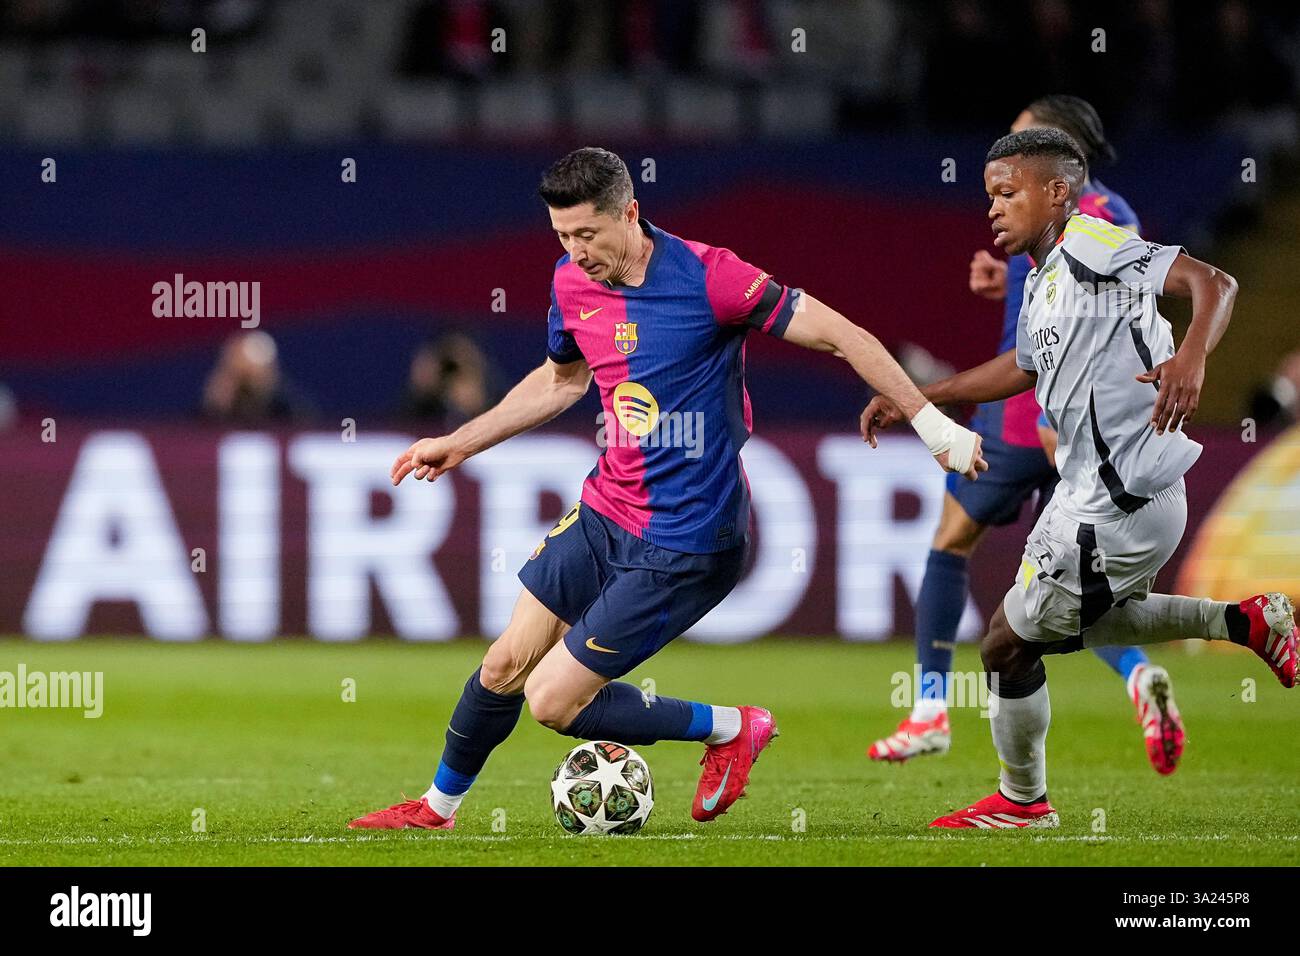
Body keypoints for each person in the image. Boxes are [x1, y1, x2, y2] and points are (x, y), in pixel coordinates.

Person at [349, 146, 986, 830]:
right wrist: (460, 441)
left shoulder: (713, 279)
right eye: (562, 235)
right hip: (605, 506)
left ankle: (732, 727)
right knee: (505, 661)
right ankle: (437, 809)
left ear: (631, 211)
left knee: (552, 701)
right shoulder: (570, 281)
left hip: (686, 537)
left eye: (587, 234)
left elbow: (841, 334)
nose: (575, 251)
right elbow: (563, 380)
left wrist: (930, 422)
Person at [861, 127, 1296, 829]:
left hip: (1119, 501)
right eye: (988, 197)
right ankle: (1245, 622)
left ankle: (1024, 802)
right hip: (1099, 493)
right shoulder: (1042, 282)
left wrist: (1191, 357)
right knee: (1056, 628)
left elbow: (1214, 282)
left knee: (1008, 642)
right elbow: (1020, 370)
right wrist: (922, 397)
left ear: (1058, 193)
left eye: (1007, 193)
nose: (993, 209)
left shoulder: (1091, 243)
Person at [867, 95, 1188, 776]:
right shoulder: (1094, 216)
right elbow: (1071, 299)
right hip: (1065, 422)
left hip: (1035, 421)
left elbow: (1110, 320)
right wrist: (1003, 278)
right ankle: (1136, 675)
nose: (1003, 172)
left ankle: (929, 710)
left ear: (1057, 161)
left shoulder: (1096, 221)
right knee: (1064, 586)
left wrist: (1050, 415)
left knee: (953, 547)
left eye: (1019, 147)